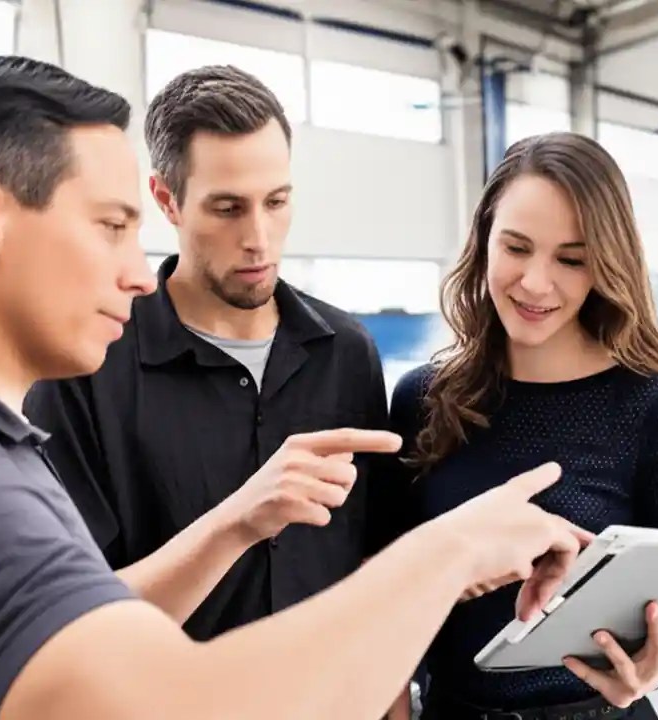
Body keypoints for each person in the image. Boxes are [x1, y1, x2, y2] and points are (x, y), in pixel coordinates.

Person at [0, 55, 595, 720]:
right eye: (110, 226)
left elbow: (97, 626)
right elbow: (162, 701)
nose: (138, 274)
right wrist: (448, 552)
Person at [22, 64, 396, 640]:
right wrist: (238, 521)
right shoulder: (86, 367)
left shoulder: (346, 354)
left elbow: (372, 568)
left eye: (276, 202)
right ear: (167, 200)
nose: (259, 239)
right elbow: (71, 623)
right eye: (228, 209)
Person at [383, 132, 658, 720]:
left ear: (606, 265)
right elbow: (384, 585)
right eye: (517, 247)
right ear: (484, 239)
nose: (535, 282)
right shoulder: (421, 400)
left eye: (571, 259)